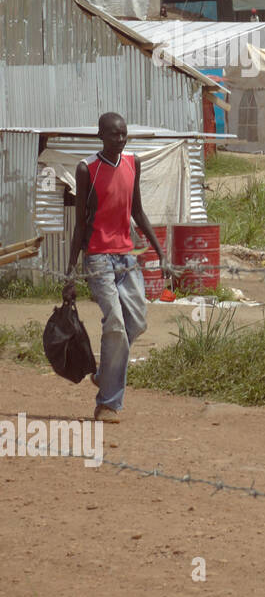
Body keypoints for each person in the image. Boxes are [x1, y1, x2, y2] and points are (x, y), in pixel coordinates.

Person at [63, 112, 172, 424]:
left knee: (135, 323)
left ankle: (104, 373)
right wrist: (71, 273)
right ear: (101, 135)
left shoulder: (132, 163)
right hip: (98, 258)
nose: (120, 140)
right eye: (113, 135)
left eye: (123, 134)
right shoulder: (87, 169)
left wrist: (160, 252)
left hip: (126, 256)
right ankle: (107, 404)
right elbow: (80, 222)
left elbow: (137, 209)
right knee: (115, 325)